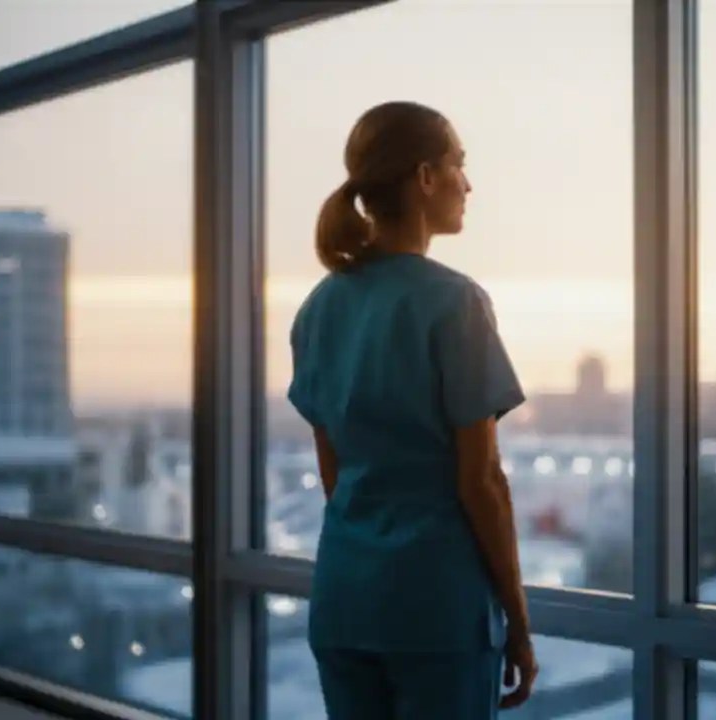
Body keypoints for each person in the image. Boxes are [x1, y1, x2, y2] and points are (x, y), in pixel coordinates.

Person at [287, 101, 539, 719]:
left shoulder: (319, 308)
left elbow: (335, 478)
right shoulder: (456, 303)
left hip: (344, 600)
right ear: (425, 177)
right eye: (458, 164)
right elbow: (480, 481)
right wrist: (518, 616)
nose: (468, 184)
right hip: (436, 611)